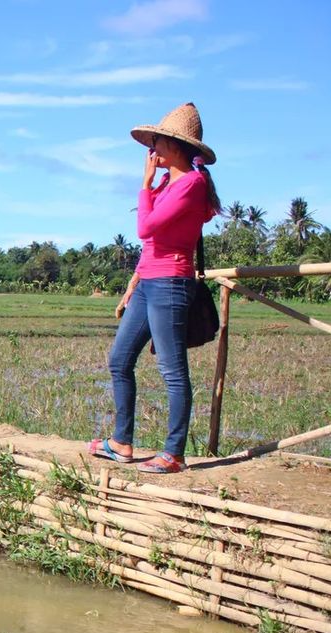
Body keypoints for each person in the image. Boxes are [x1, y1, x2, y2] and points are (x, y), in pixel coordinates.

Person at [89, 103, 221, 474]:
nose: (153, 151)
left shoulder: (192, 185)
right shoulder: (170, 184)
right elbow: (150, 244)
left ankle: (174, 453)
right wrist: (133, 284)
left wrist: (144, 185)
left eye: (158, 143)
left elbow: (145, 229)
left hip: (171, 283)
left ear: (177, 146)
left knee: (172, 369)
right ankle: (121, 441)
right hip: (149, 282)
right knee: (119, 359)